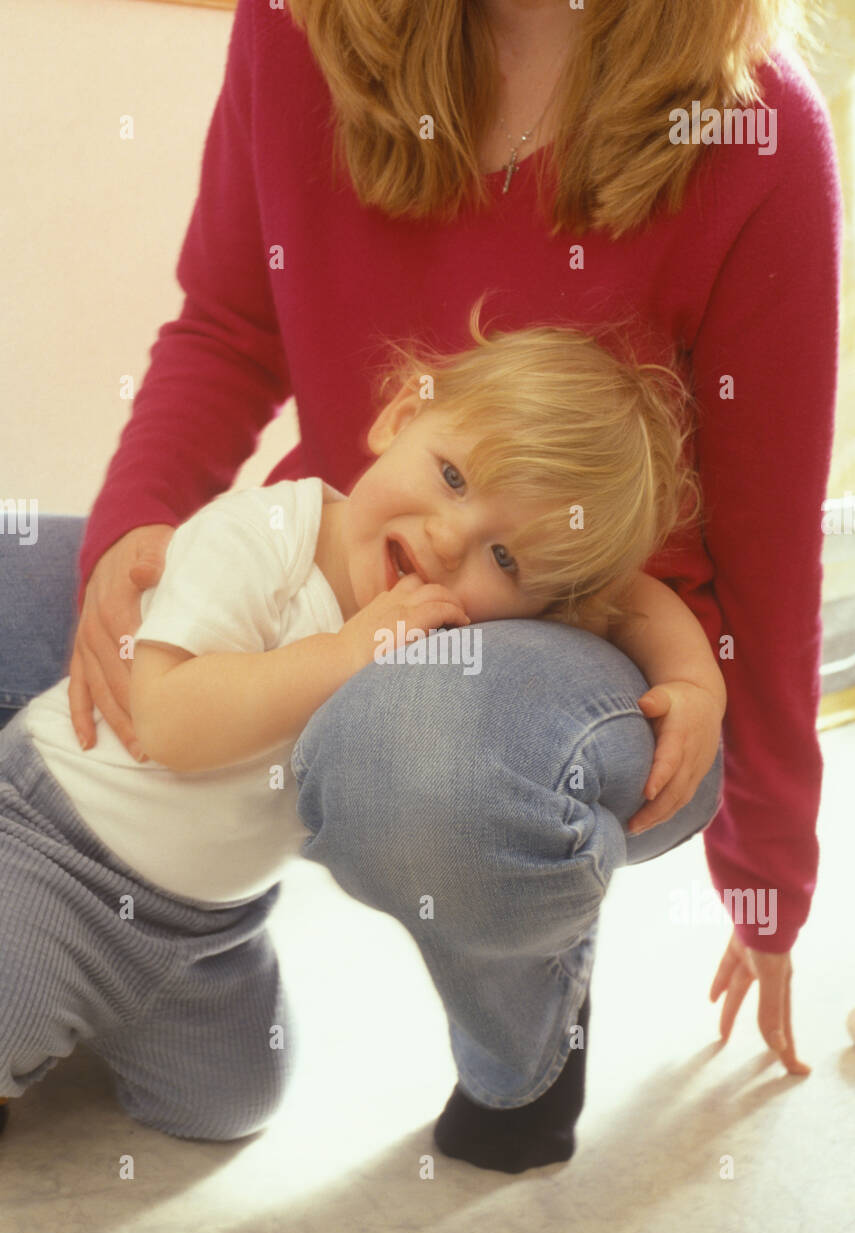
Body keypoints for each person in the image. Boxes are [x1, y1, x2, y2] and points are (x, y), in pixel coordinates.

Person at [0, 0, 840, 1171]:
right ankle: (128, 942)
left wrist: (768, 879)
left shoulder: (753, 134)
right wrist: (128, 550)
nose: (452, 532)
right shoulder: (298, 27)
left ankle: (525, 1036)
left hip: (579, 657)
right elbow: (228, 329)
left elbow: (767, 547)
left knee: (410, 743)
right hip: (331, 568)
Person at [0, 310, 724, 1151]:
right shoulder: (267, 537)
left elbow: (629, 599)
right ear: (398, 418)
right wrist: (346, 652)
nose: (451, 539)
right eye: (452, 476)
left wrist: (693, 679)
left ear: (542, 605)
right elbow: (166, 721)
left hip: (208, 926)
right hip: (53, 846)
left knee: (229, 1108)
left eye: (505, 558)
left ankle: (86, 1013)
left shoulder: (451, 625)